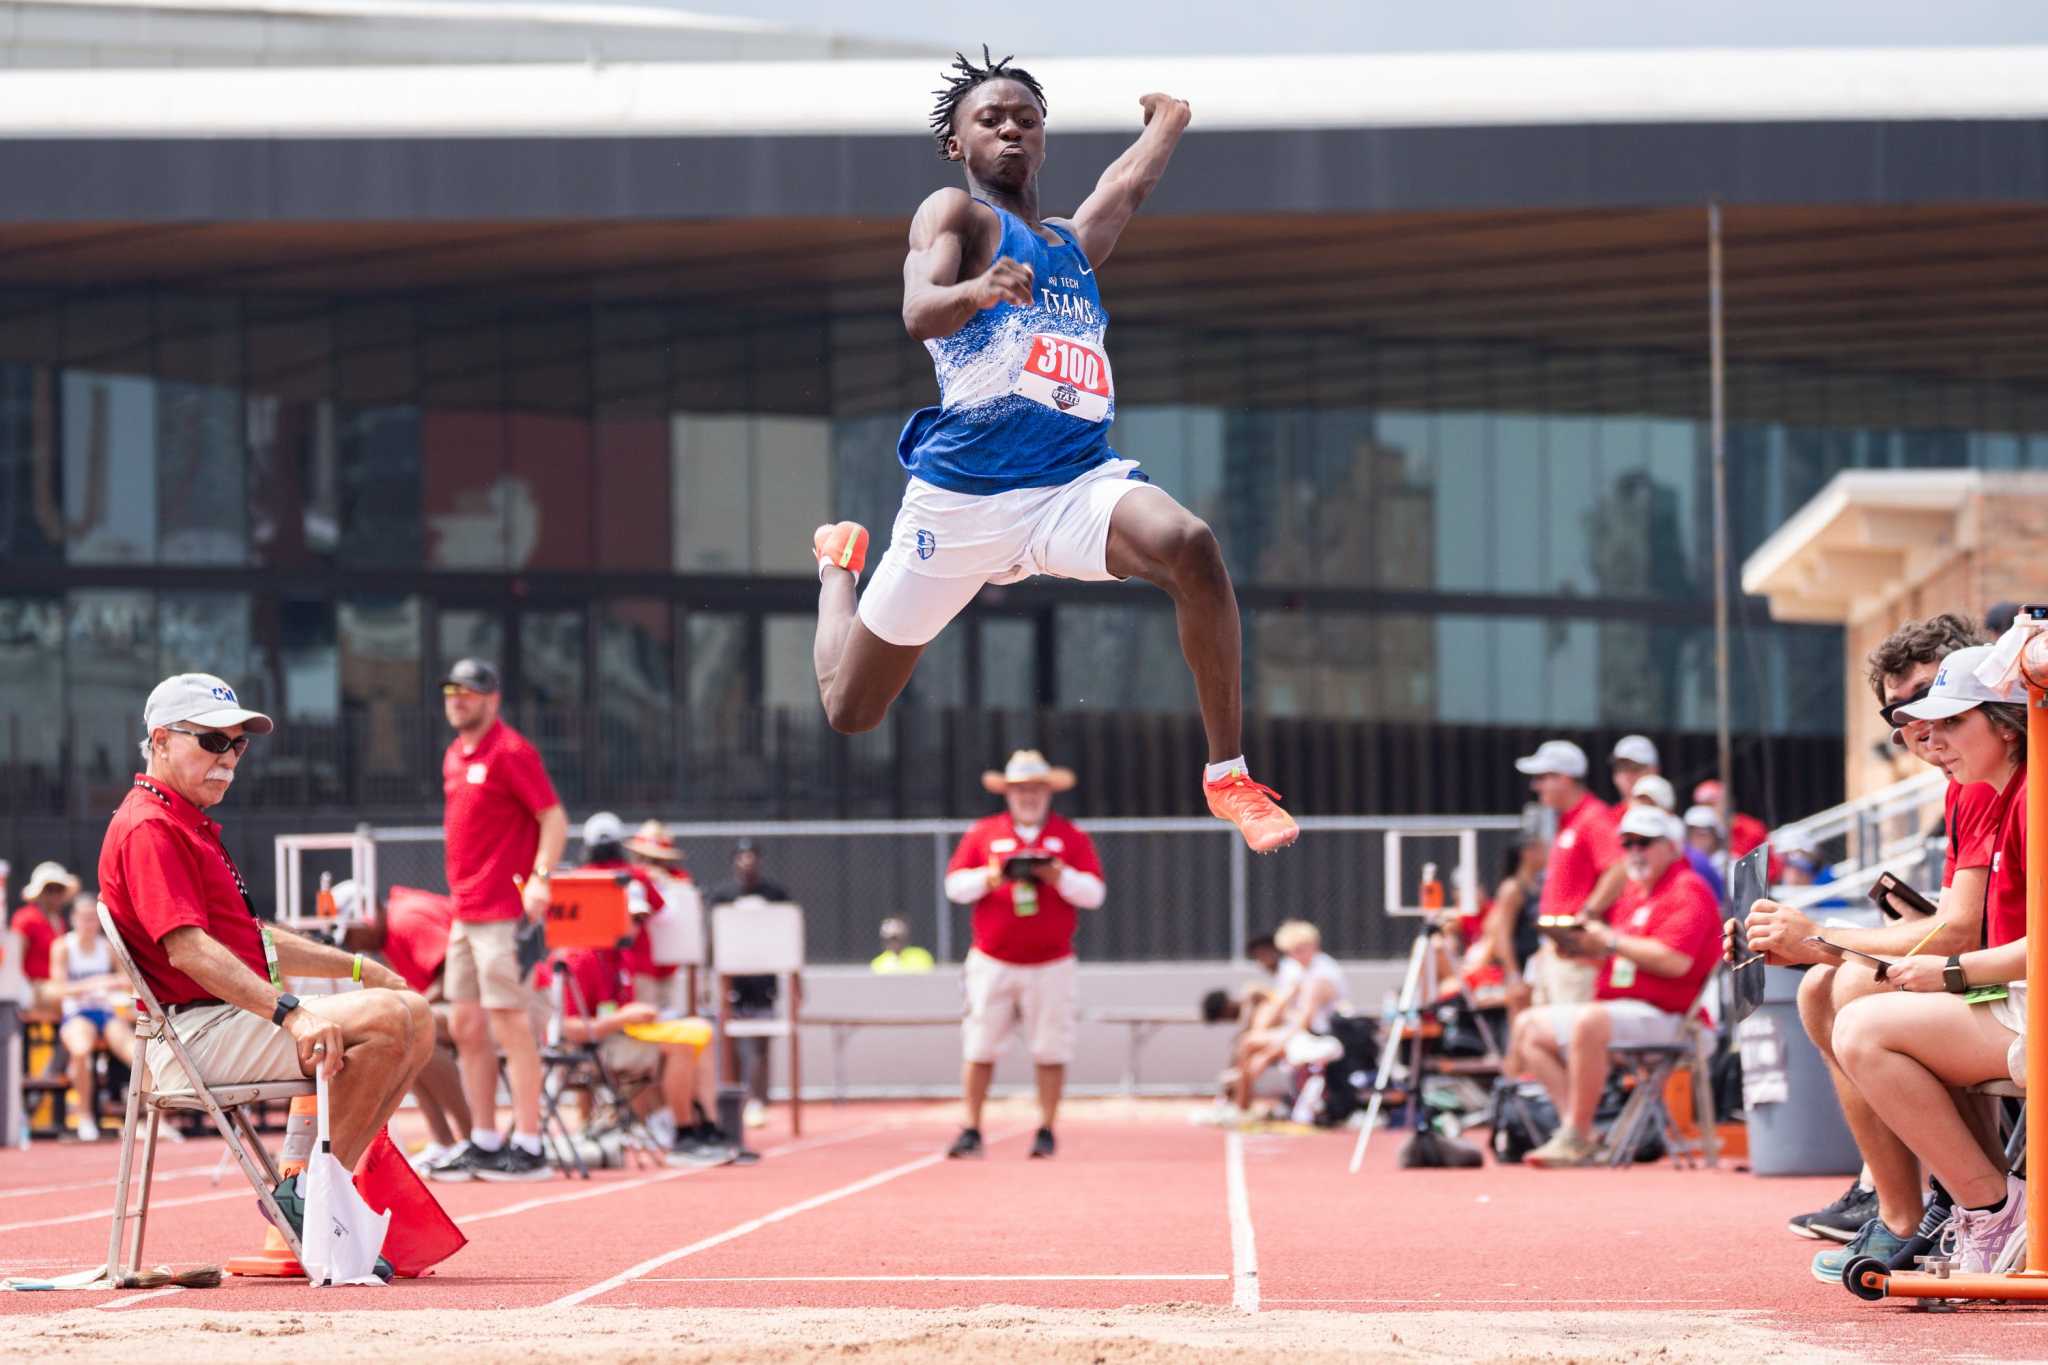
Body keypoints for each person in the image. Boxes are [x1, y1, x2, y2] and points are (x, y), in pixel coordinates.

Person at [806, 48, 1296, 857]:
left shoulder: (1068, 246)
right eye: (989, 119)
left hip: (1071, 487)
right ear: (955, 145)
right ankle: (836, 569)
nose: (1009, 129)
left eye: (1025, 119)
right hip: (961, 503)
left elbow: (1126, 189)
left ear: (1043, 140)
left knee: (1191, 545)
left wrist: (1168, 122)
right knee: (850, 708)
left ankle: (1228, 775)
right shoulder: (954, 218)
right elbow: (919, 309)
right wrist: (979, 289)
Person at [97, 673, 431, 1251]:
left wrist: (360, 968)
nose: (228, 758)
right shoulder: (150, 826)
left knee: (413, 1013)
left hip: (221, 1022)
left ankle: (315, 1190)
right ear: (160, 740)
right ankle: (313, 1196)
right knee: (389, 1021)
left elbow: (255, 939)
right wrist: (294, 1014)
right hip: (192, 1035)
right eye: (211, 741)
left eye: (238, 744)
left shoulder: (180, 819)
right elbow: (189, 950)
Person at [1739, 613, 1999, 1266]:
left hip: (2012, 980)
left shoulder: (1995, 776)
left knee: (1851, 982)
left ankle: (1974, 1201)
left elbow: (1963, 930)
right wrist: (1811, 943)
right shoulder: (1964, 783)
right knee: (1825, 985)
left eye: (1925, 699)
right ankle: (1908, 1203)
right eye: (1897, 714)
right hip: (2002, 972)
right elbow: (1963, 923)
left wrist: (1820, 938)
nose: (1914, 725)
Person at [1828, 642, 2031, 1274]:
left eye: (1952, 721)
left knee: (1862, 1024)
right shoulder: (2000, 791)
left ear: (2005, 722)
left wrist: (1951, 972)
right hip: (2025, 998)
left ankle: (1992, 1207)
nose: (1931, 737)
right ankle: (1965, 1205)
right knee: (1846, 997)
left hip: (2034, 1005)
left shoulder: (2032, 795)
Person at [1510, 805, 1720, 1168]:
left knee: (1591, 1020)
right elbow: (1620, 956)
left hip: (1676, 1020)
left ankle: (1575, 1134)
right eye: (1627, 843)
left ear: (1672, 846)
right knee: (1527, 1026)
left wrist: (1609, 941)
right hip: (1626, 1011)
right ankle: (1578, 1132)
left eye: (1644, 842)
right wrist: (1578, 946)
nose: (1634, 851)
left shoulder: (1688, 889)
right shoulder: (1634, 894)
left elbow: (1675, 961)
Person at [430, 658, 568, 1183]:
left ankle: (529, 1142)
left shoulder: (512, 752)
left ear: (493, 699)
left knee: (509, 1022)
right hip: (464, 911)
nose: (457, 699)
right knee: (465, 1025)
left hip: (501, 912)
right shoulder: (453, 755)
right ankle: (486, 1139)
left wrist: (541, 876)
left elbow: (552, 818)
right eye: (451, 690)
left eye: (468, 691)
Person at [942, 749, 1105, 1159]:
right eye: (1020, 790)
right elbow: (955, 887)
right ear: (1008, 793)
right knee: (978, 1046)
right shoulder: (983, 833)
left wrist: (1057, 874)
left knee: (1051, 1048)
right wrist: (993, 875)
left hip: (1052, 962)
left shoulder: (1071, 837)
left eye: (1035, 789)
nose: (1028, 796)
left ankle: (1046, 1128)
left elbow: (1094, 894)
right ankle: (972, 1127)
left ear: (1048, 792)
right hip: (992, 960)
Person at [535, 941, 734, 1167]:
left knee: (700, 1032)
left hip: (617, 1038)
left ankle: (707, 1126)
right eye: (633, 919)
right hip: (587, 1050)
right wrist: (621, 1018)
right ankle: (684, 1133)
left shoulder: (622, 956)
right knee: (682, 1045)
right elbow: (568, 1030)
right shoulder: (577, 959)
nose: (637, 927)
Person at [1516, 740, 1626, 1006]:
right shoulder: (1569, 820)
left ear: (1564, 779)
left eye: (1542, 778)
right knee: (1542, 1037)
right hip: (1558, 951)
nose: (1536, 786)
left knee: (1566, 1037)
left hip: (1578, 957)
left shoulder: (1592, 817)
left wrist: (1586, 915)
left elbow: (1619, 868)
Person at [706, 837, 794, 1131]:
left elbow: (790, 935)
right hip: (732, 979)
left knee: (760, 1044)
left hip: (763, 980)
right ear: (734, 861)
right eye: (741, 857)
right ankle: (735, 1100)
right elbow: (712, 938)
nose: (746, 862)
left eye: (751, 856)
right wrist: (709, 978)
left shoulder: (775, 894)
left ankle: (759, 1100)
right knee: (730, 1044)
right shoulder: (722, 896)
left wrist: (796, 981)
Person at [1228, 919, 1349, 1113]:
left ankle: (1241, 1106)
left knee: (1256, 1053)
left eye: (1300, 949)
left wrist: (1270, 1052)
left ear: (1313, 946)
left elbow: (1305, 1021)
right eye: (1291, 951)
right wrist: (1263, 1026)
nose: (1295, 955)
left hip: (1318, 1035)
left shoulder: (1322, 975)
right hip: (1298, 1032)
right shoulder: (1296, 968)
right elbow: (1280, 1003)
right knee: (1248, 1042)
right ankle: (1239, 1105)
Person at [49, 892, 133, 1141]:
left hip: (105, 1012)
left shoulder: (107, 947)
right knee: (81, 1050)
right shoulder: (64, 947)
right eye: (84, 918)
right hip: (77, 1015)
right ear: (74, 919)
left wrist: (112, 983)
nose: (89, 923)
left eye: (92, 918)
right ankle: (84, 1115)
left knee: (137, 1052)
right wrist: (95, 983)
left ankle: (141, 1118)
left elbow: (127, 980)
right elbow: (58, 988)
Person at [12, 861, 79, 1010]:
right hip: (33, 987)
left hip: (58, 985)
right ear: (39, 892)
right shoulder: (25, 919)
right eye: (49, 889)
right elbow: (14, 961)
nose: (55, 895)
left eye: (59, 889)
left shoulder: (59, 920)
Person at [1608, 735, 1660, 818]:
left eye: (1635, 768)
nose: (1627, 775)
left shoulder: (1669, 819)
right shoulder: (1606, 819)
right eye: (1620, 768)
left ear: (1654, 771)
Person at [871, 917, 935, 974]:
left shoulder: (921, 955)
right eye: (889, 940)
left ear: (905, 939)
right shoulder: (878, 962)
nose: (893, 943)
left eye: (896, 939)